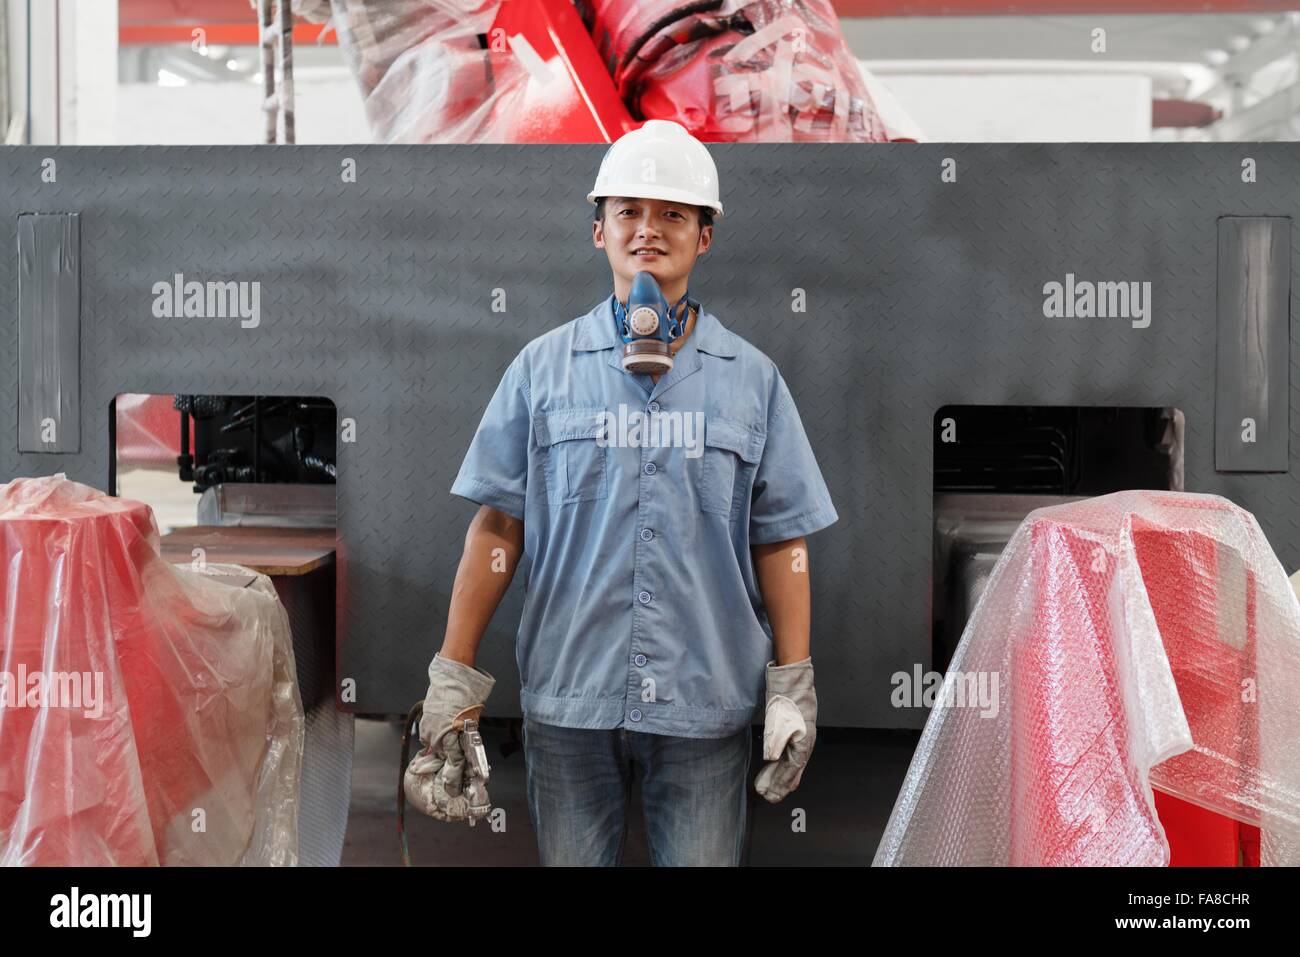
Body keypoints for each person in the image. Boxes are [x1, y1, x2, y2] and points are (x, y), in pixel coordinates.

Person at [413, 119, 839, 866]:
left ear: (704, 236)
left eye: (673, 213)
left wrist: (792, 683)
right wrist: (453, 673)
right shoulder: (542, 370)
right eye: (629, 212)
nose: (649, 230)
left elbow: (780, 537)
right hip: (570, 696)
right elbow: (497, 527)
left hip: (703, 705)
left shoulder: (752, 379)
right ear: (598, 228)